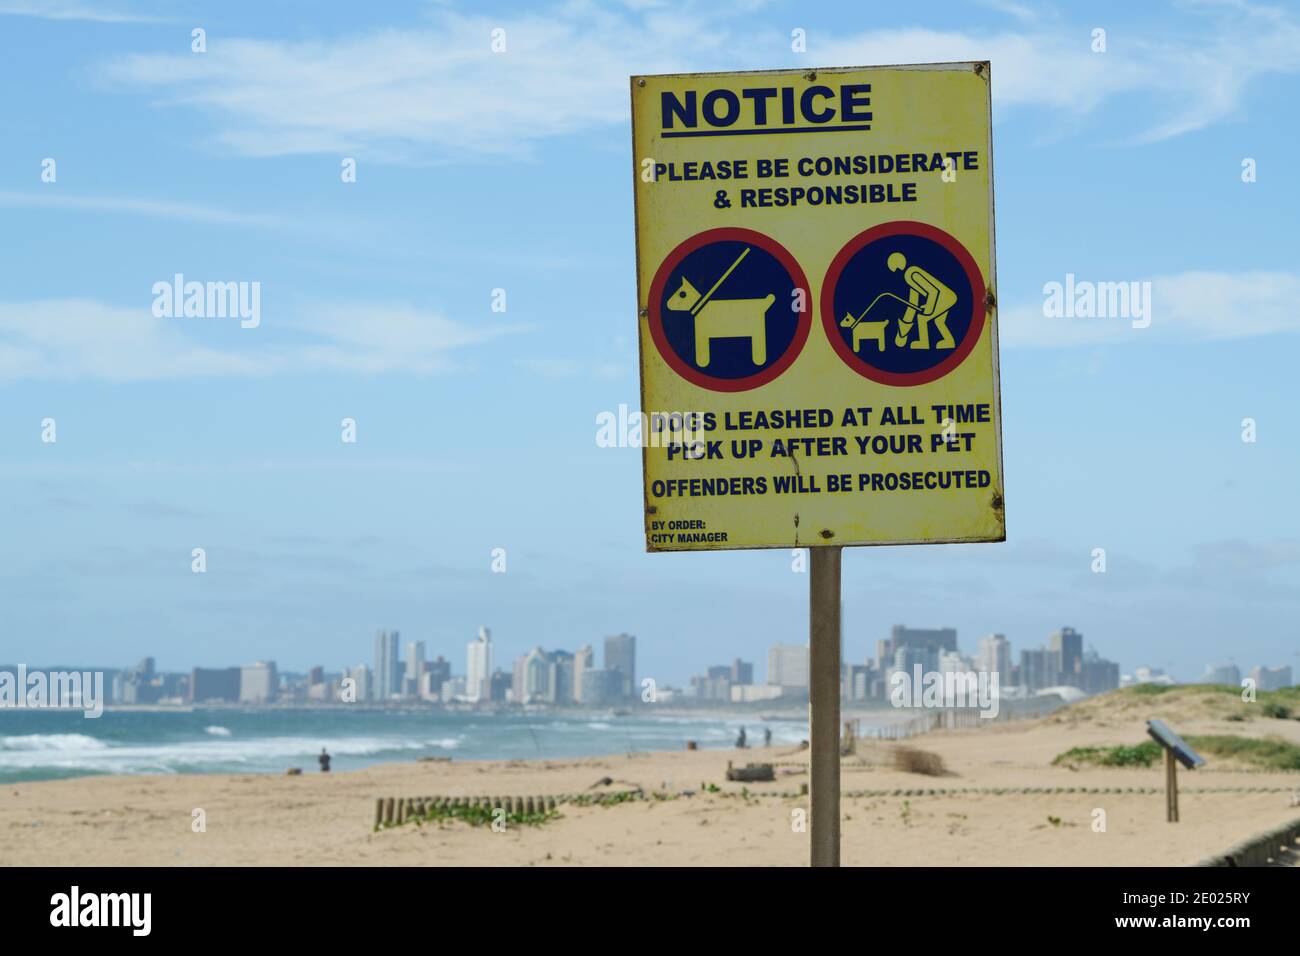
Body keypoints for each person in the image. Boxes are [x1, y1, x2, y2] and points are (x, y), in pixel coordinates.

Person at [887, 251, 957, 351]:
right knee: (939, 321)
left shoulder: (911, 273)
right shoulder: (910, 276)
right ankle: (949, 341)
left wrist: (928, 308)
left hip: (944, 298)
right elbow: (912, 304)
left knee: (922, 318)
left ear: (897, 266)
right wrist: (902, 334)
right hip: (947, 297)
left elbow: (933, 291)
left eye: (894, 270)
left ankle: (923, 343)